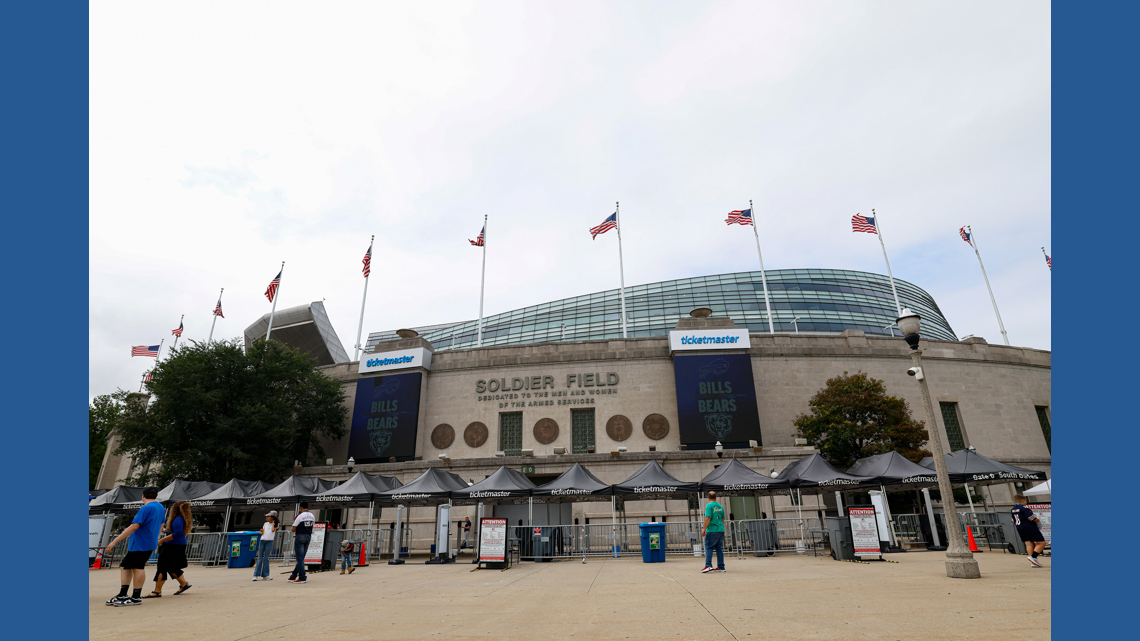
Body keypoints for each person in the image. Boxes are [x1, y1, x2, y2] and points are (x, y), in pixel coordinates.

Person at [104, 486, 165, 606]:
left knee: (137, 567)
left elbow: (134, 526)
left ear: (143, 496)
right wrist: (154, 534)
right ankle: (123, 594)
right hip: (148, 541)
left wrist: (114, 541)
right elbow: (162, 524)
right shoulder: (160, 507)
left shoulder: (145, 508)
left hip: (141, 542)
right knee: (125, 566)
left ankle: (136, 597)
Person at [146, 501, 192, 597]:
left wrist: (161, 540)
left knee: (162, 567)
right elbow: (174, 531)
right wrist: (164, 531)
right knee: (172, 567)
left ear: (174, 510)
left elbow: (176, 534)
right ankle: (184, 584)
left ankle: (157, 591)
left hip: (173, 546)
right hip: (176, 545)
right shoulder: (180, 519)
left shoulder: (178, 520)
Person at [1011, 494, 1047, 567]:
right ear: (1023, 500)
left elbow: (1012, 520)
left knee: (1028, 543)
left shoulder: (1013, 509)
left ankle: (1034, 562)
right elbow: (1031, 518)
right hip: (1029, 527)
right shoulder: (1024, 508)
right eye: (1026, 501)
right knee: (1041, 542)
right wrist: (1038, 519)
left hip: (1020, 527)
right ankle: (1033, 557)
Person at [288, 502, 316, 583]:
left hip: (300, 536)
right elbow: (312, 526)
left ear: (300, 508)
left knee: (299, 558)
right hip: (308, 536)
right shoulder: (312, 516)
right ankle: (293, 575)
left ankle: (302, 577)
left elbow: (293, 528)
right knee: (301, 558)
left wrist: (293, 530)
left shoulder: (300, 516)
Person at [700, 490, 727, 573]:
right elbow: (723, 519)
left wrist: (704, 528)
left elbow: (707, 517)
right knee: (719, 548)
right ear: (716, 497)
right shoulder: (720, 506)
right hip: (720, 529)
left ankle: (708, 565)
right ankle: (721, 566)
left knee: (709, 547)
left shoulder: (709, 506)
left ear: (708, 497)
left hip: (712, 529)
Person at [253, 511, 278, 581]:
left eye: (268, 516)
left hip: (269, 541)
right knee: (260, 557)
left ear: (272, 517)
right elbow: (263, 532)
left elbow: (273, 530)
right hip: (263, 540)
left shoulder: (276, 523)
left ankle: (265, 574)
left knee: (266, 558)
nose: (266, 518)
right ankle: (255, 575)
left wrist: (273, 523)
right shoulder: (265, 524)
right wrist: (261, 531)